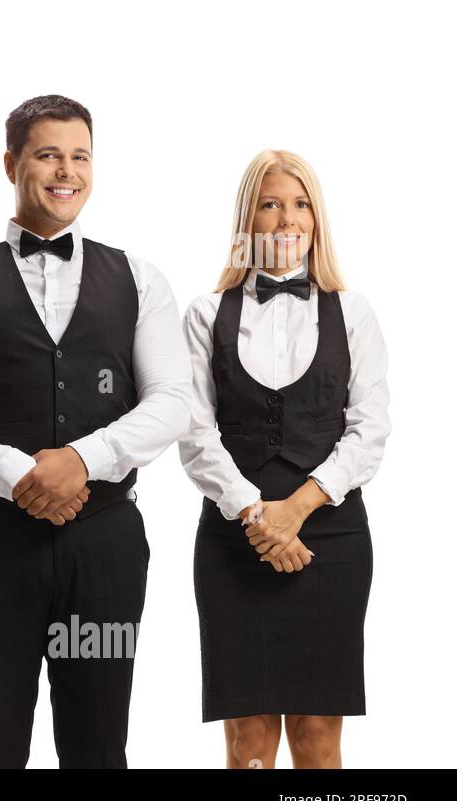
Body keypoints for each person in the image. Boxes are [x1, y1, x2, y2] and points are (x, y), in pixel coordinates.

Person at [0, 94, 192, 768]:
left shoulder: (141, 280)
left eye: (80, 156)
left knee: (98, 746)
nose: (66, 171)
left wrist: (83, 461)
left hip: (106, 543)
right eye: (48, 155)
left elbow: (172, 400)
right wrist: (16, 472)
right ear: (11, 164)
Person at [178, 150, 390, 768]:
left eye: (300, 205)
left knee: (319, 736)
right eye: (270, 204)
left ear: (317, 220)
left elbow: (369, 431)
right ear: (248, 220)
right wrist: (257, 516)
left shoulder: (353, 313)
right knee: (248, 742)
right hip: (233, 540)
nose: (286, 219)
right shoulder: (204, 314)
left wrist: (295, 510)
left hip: (332, 538)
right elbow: (194, 434)